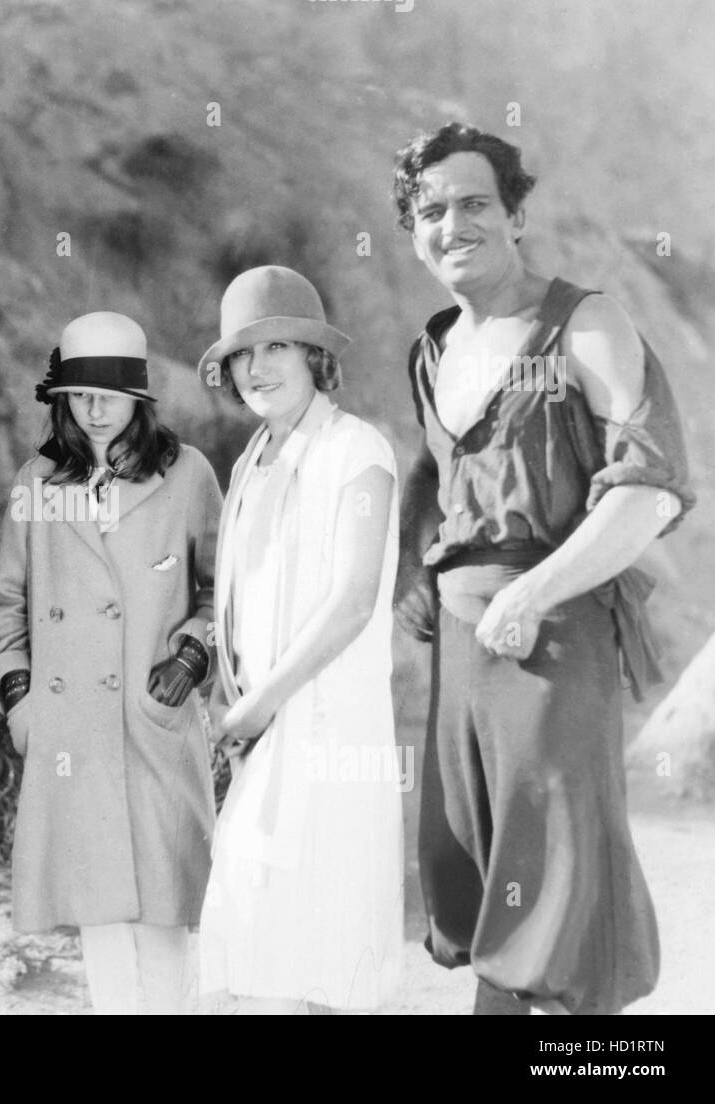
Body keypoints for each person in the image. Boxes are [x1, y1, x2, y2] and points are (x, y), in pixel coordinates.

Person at [391, 122, 694, 1015]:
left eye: (475, 203)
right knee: (484, 880)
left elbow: (651, 492)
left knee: (562, 888)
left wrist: (533, 590)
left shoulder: (585, 322)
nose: (453, 224)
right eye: (430, 210)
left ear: (517, 213)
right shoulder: (433, 347)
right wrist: (418, 575)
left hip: (554, 639)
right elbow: (439, 481)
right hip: (459, 650)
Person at [0, 311, 221, 1013]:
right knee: (100, 915)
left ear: (140, 401)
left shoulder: (189, 476)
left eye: (110, 394)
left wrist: (190, 656)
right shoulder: (37, 480)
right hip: (73, 732)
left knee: (165, 910)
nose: (93, 407)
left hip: (154, 726)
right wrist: (23, 700)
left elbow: (222, 591)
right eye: (80, 393)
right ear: (62, 398)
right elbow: (8, 606)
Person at [196, 266, 403, 1014]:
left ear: (315, 356)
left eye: (278, 345)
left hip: (325, 724)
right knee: (251, 955)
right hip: (261, 732)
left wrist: (260, 706)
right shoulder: (252, 460)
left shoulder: (358, 451)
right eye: (244, 353)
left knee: (325, 960)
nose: (259, 367)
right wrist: (237, 703)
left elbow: (350, 602)